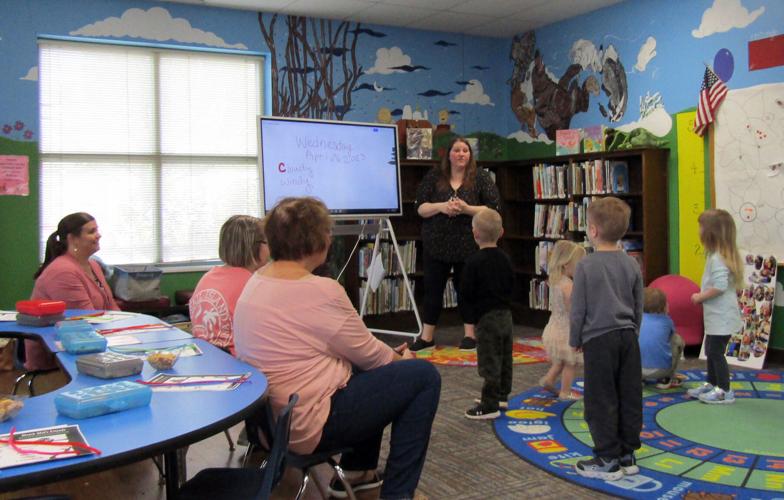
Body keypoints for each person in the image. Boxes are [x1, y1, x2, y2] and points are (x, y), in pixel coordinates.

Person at [233, 197, 441, 500]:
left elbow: (348, 347)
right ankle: (398, 494)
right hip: (306, 423)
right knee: (423, 377)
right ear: (316, 240)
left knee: (363, 365)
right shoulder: (320, 290)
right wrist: (401, 358)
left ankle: (357, 473)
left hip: (269, 421)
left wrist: (389, 358)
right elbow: (371, 355)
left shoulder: (256, 282)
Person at [569, 197, 643, 481]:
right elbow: (638, 304)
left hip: (599, 340)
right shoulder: (632, 263)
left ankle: (607, 458)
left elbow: (579, 308)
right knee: (629, 395)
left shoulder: (586, 265)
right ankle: (627, 453)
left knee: (600, 399)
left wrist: (575, 338)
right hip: (628, 338)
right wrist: (633, 332)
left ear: (593, 230)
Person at [411, 137, 501, 352]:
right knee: (432, 290)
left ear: (470, 155)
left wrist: (467, 208)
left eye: (465, 151)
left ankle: (470, 335)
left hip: (468, 243)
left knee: (467, 290)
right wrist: (442, 206)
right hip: (436, 242)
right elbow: (420, 208)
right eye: (457, 150)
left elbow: (494, 208)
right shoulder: (434, 176)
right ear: (448, 154)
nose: (461, 154)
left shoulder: (481, 177)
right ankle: (427, 337)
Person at [28, 212, 119, 370]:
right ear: (72, 239)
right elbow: (84, 319)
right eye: (91, 232)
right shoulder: (63, 271)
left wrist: (126, 328)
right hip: (59, 356)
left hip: (91, 342)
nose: (98, 235)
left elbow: (112, 308)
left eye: (97, 230)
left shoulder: (93, 265)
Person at [460, 208, 514, 420]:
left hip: (486, 318)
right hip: (506, 316)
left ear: (474, 234)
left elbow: (465, 293)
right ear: (501, 233)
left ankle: (489, 405)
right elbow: (512, 285)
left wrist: (469, 321)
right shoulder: (506, 259)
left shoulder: (473, 262)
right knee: (505, 357)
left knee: (489, 360)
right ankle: (502, 395)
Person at [189, 215, 269, 356]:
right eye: (267, 242)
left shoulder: (208, 277)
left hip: (203, 356)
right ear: (254, 247)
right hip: (236, 364)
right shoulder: (252, 284)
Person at [687, 209, 743, 404]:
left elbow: (719, 286)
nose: (699, 231)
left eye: (701, 227)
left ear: (711, 232)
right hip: (716, 316)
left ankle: (724, 390)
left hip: (722, 317)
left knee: (716, 353)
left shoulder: (718, 258)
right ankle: (712, 383)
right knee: (710, 349)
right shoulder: (715, 255)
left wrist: (699, 296)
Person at [539, 240, 586, 401]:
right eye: (578, 264)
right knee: (570, 363)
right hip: (567, 330)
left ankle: (549, 379)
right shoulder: (569, 286)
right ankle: (565, 392)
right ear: (566, 265)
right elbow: (573, 312)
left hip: (554, 327)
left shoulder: (555, 282)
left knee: (561, 360)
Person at [639, 287, 685, 390]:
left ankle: (639, 378)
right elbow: (671, 336)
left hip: (636, 369)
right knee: (677, 340)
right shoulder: (666, 321)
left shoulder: (638, 318)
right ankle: (667, 378)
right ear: (664, 305)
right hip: (661, 371)